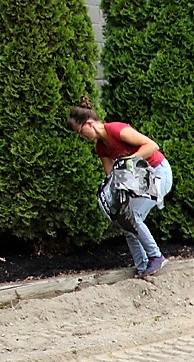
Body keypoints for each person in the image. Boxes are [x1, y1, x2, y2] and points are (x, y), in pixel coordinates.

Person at [69, 98, 173, 277]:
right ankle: (143, 267)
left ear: (89, 123)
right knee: (125, 221)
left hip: (158, 173)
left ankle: (156, 256)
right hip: (140, 181)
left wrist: (129, 160)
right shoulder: (101, 148)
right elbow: (113, 177)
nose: (81, 136)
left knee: (133, 216)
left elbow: (152, 146)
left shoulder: (117, 130)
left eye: (80, 131)